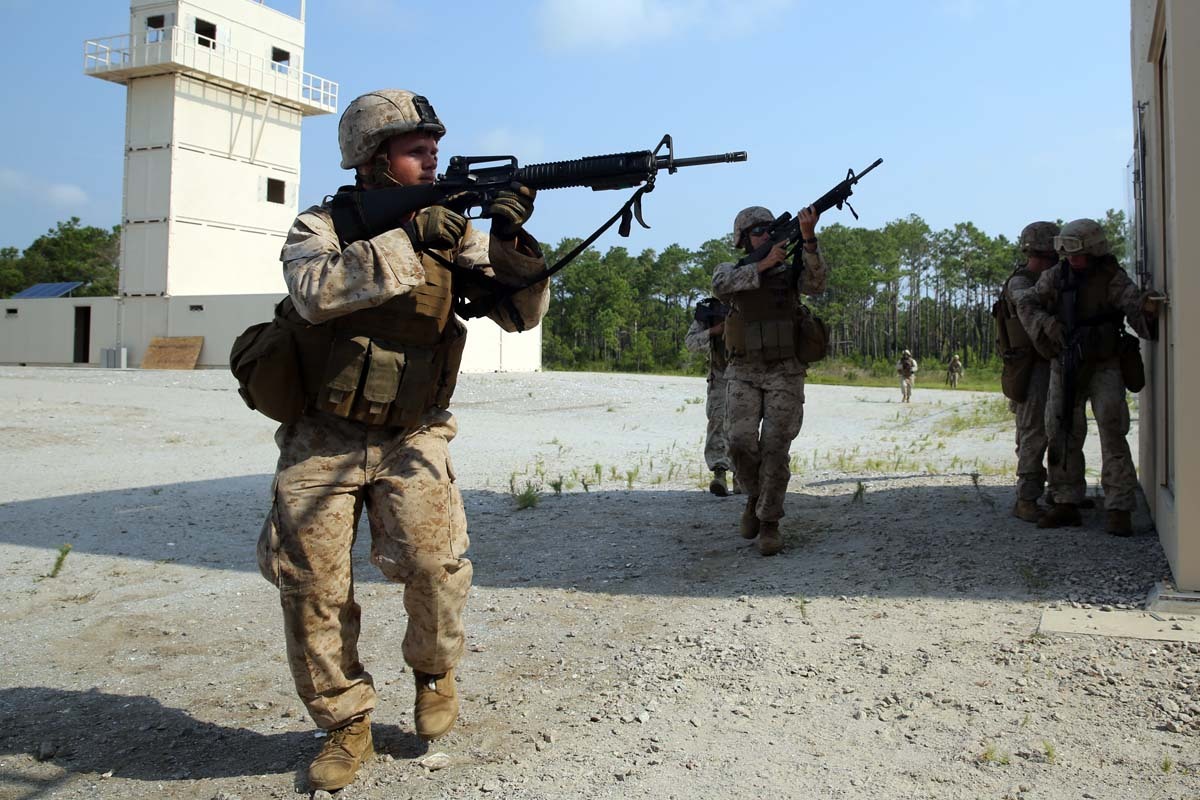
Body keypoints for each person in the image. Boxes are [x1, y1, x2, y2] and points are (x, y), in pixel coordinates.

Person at [254, 89, 549, 791]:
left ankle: (434, 671)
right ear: (372, 158)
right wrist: (407, 239)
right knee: (312, 585)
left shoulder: (455, 231)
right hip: (322, 434)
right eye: (417, 149)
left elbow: (519, 317)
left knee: (434, 564)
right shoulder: (321, 224)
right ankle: (345, 722)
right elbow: (313, 292)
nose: (432, 158)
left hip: (413, 429)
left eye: (434, 148)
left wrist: (509, 243)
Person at [1020, 218, 1160, 536]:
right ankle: (1065, 501)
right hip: (1065, 362)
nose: (1072, 259)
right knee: (1060, 431)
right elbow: (1026, 301)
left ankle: (1119, 507)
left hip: (1104, 363)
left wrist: (1148, 309)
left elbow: (1138, 315)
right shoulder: (1056, 276)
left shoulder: (1112, 278)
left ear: (1095, 250)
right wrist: (1046, 325)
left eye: (1078, 253)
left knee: (1112, 429)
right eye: (1068, 253)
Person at [712, 205, 828, 556]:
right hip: (744, 371)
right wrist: (761, 265)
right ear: (743, 240)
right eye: (757, 231)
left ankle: (769, 522)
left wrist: (808, 239)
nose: (764, 235)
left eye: (769, 229)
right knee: (739, 441)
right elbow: (720, 287)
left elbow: (817, 284)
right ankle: (754, 496)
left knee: (776, 447)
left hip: (784, 371)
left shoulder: (790, 272)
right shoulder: (731, 270)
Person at [684, 300, 735, 496]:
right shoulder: (711, 311)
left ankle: (741, 477)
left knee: (744, 428)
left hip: (747, 375)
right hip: (720, 377)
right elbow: (690, 343)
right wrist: (714, 331)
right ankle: (720, 473)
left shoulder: (751, 304)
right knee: (717, 424)